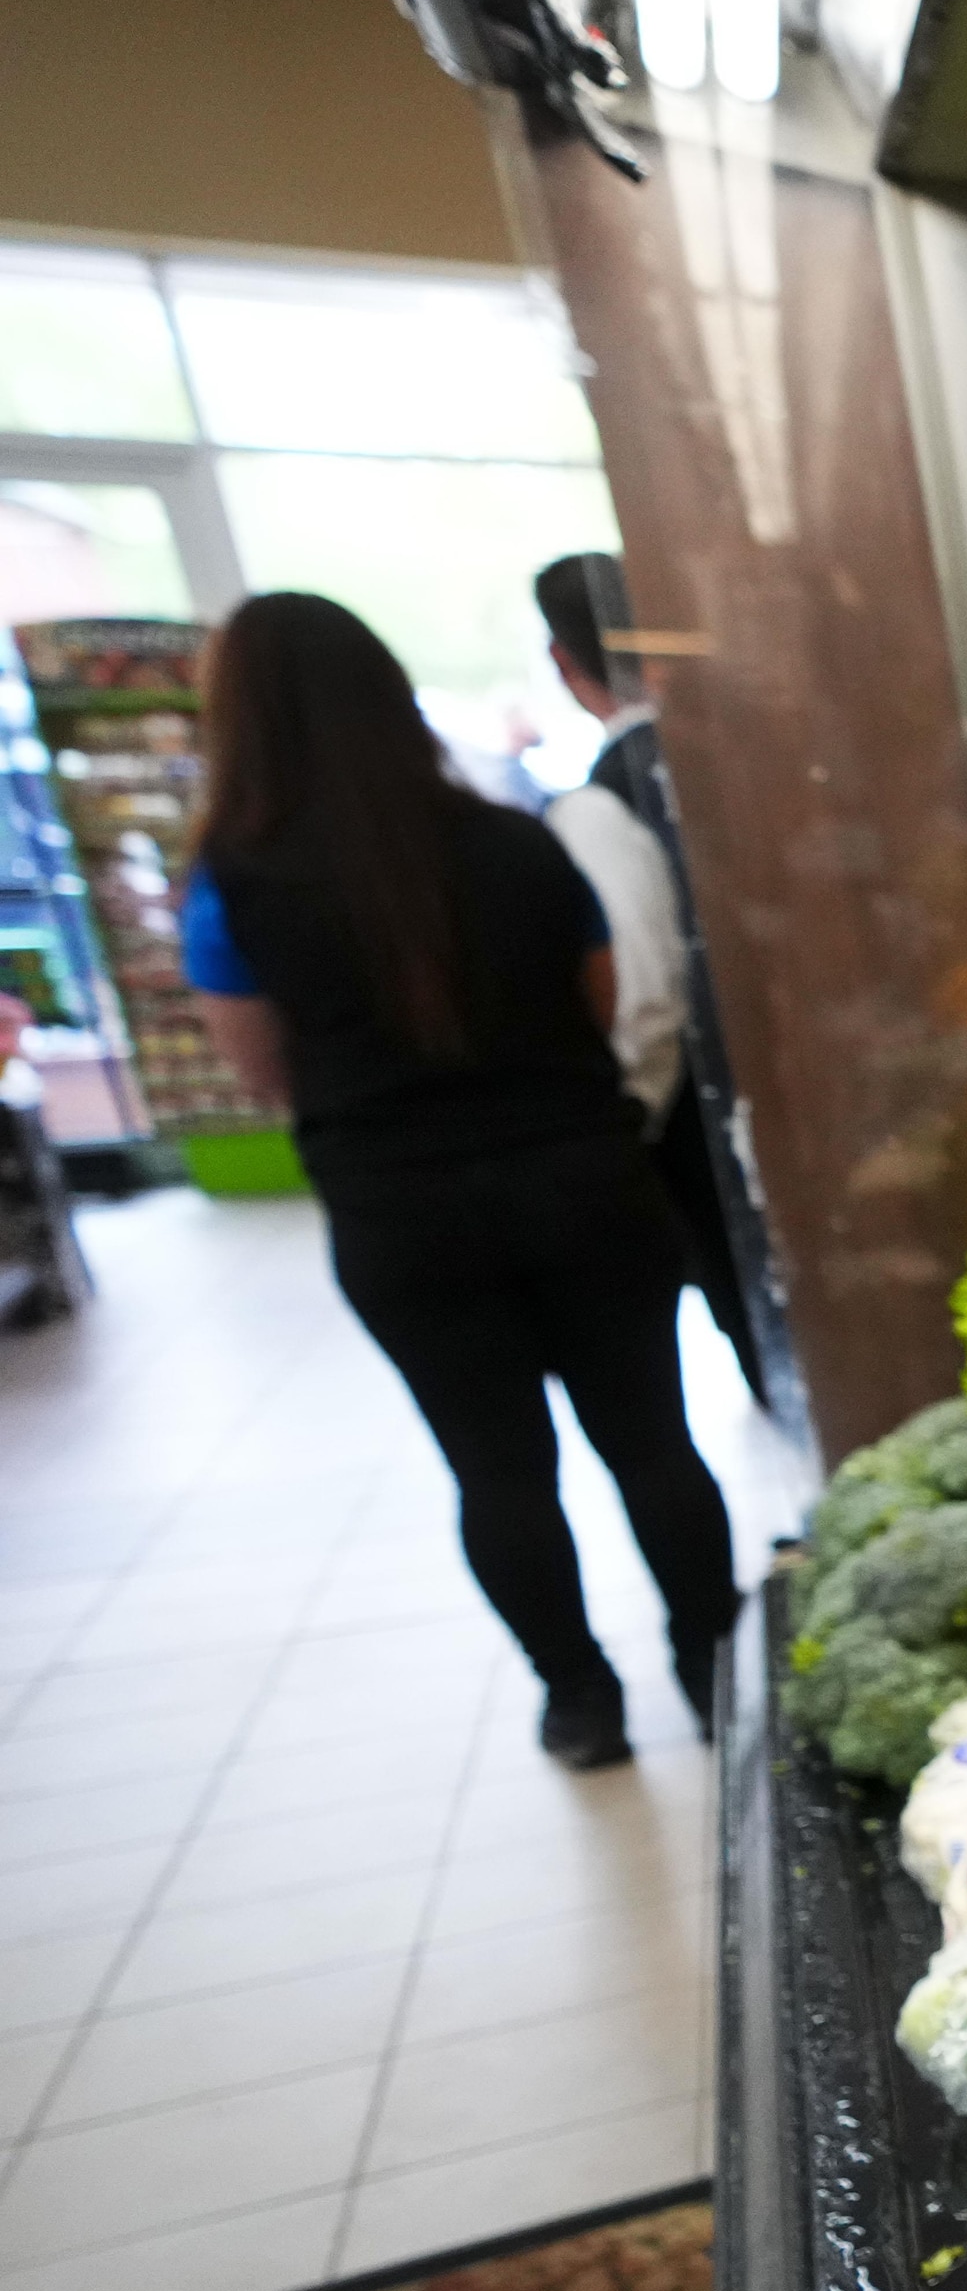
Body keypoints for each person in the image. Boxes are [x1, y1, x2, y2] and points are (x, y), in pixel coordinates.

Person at [182, 592, 735, 1769]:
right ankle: (715, 1671)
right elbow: (604, 997)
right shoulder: (520, 842)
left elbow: (259, 1063)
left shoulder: (233, 883)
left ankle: (579, 1701)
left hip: (401, 1213)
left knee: (494, 1466)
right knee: (652, 1439)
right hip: (583, 1180)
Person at [535, 553, 762, 1396]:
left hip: (702, 1123)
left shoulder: (599, 804)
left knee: (757, 1307)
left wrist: (630, 1122)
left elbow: (647, 1003)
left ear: (565, 662)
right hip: (787, 1092)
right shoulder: (743, 759)